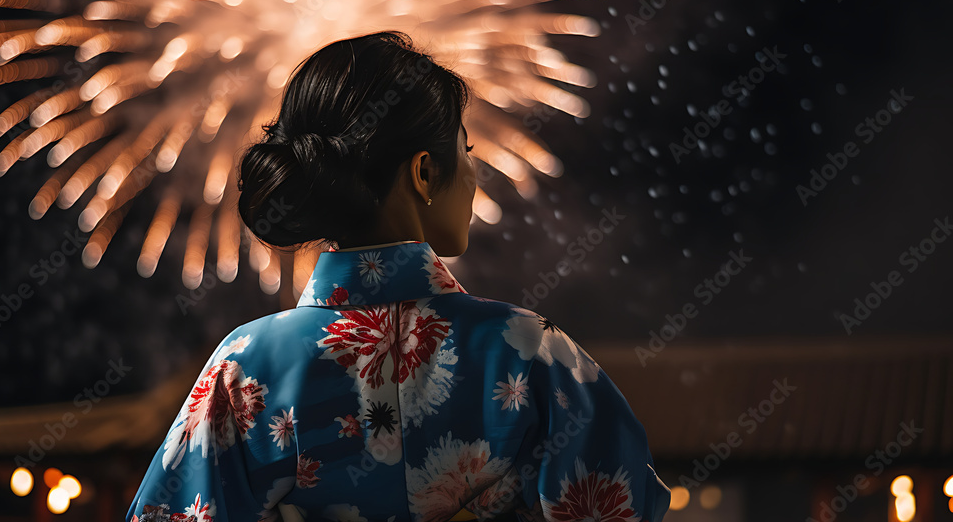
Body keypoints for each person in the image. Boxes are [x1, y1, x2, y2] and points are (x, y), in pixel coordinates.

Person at [126, 30, 670, 522]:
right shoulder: (532, 354)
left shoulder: (244, 366)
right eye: (467, 151)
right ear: (425, 173)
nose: (475, 172)